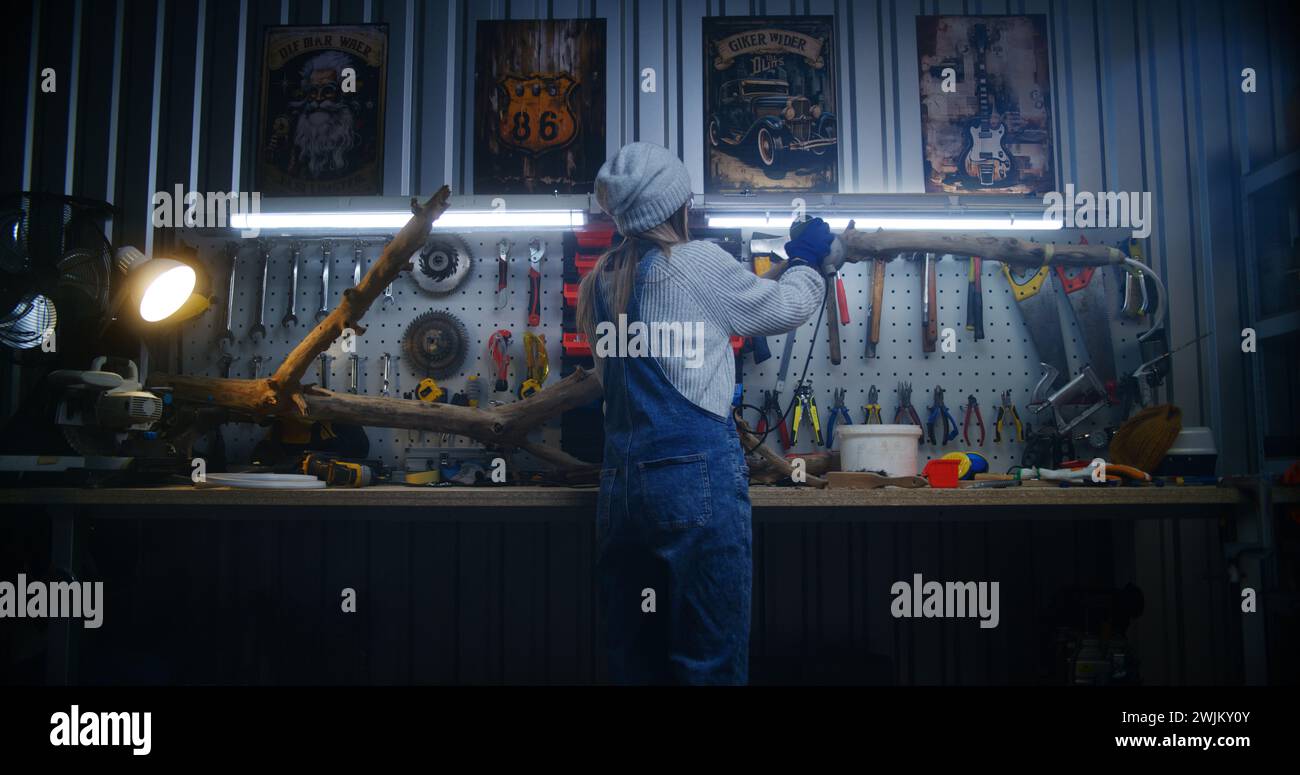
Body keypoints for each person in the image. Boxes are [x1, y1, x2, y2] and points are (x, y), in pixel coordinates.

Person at [576, 142, 839, 684]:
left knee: (635, 664)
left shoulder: (601, 280)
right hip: (692, 482)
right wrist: (809, 261)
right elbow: (787, 307)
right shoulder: (695, 263)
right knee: (707, 664)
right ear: (679, 206)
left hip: (621, 488)